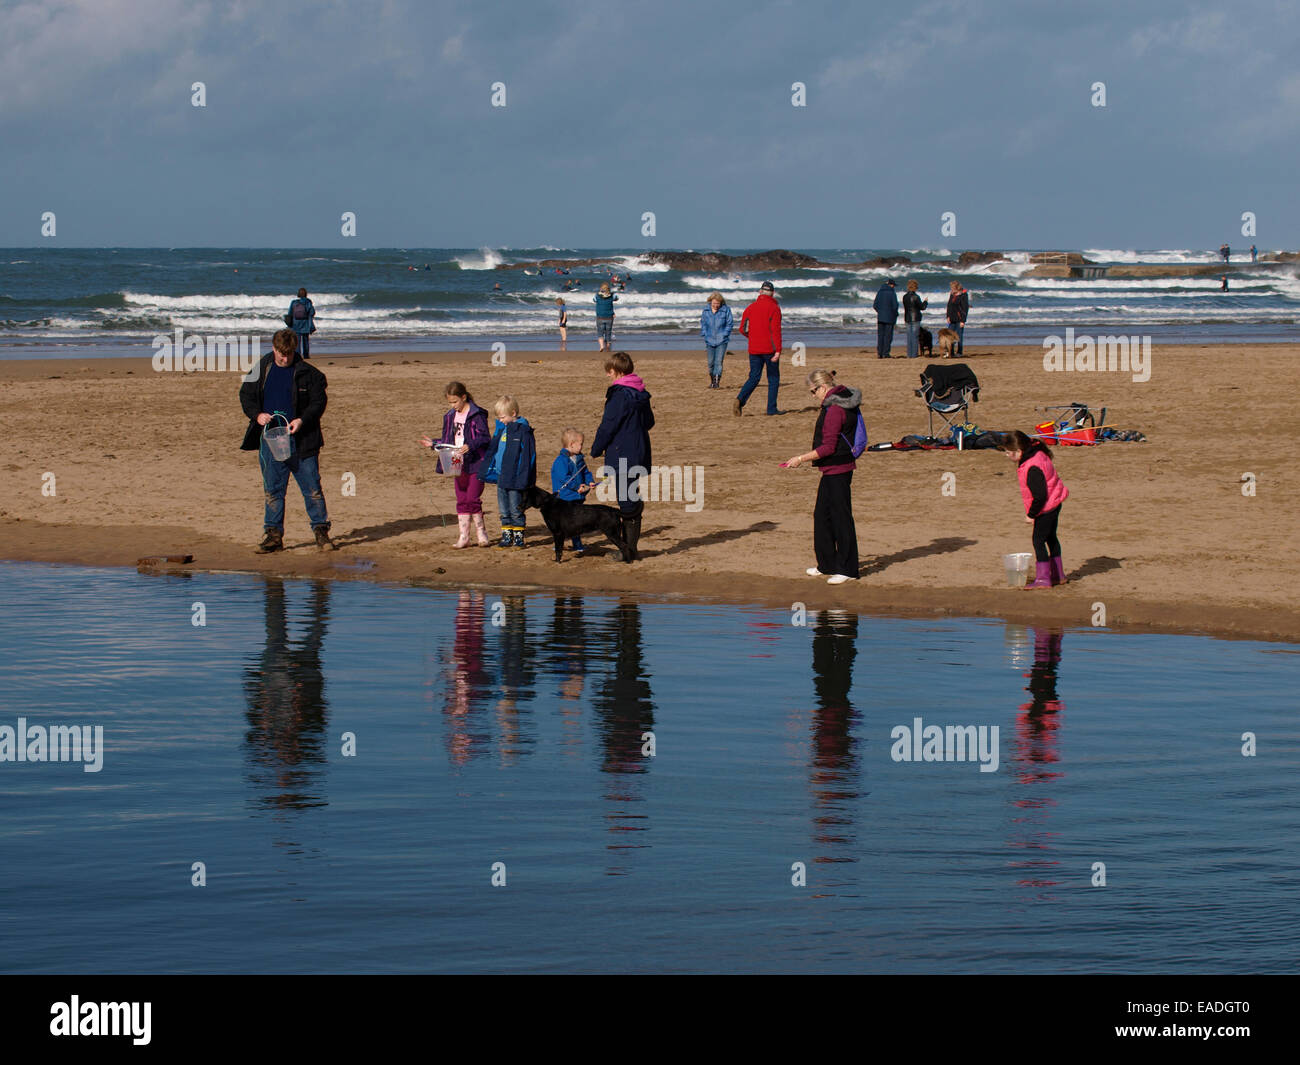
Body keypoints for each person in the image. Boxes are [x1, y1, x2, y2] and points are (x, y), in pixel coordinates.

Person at [240, 328, 334, 553]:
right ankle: (273, 536)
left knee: (312, 489)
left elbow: (318, 402)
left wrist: (302, 420)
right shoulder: (262, 367)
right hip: (271, 439)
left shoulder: (311, 374)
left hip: (303, 441)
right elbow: (246, 394)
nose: (285, 358)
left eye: (289, 354)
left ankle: (321, 533)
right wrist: (257, 415)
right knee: (273, 490)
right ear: (274, 348)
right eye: (281, 353)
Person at [782, 369, 861, 585]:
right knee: (822, 515)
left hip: (839, 467)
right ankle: (827, 564)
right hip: (832, 469)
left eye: (813, 391)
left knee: (841, 518)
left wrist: (800, 458)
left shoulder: (835, 409)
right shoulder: (842, 399)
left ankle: (848, 569)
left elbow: (827, 447)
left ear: (823, 387)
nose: (812, 396)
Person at [591, 351, 654, 561]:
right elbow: (649, 422)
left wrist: (596, 448)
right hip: (638, 449)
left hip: (624, 453)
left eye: (609, 371)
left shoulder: (619, 394)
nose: (608, 375)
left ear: (617, 371)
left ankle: (629, 551)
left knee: (626, 501)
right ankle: (630, 549)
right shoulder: (640, 391)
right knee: (629, 497)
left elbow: (608, 426)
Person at [419, 381, 492, 548]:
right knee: (461, 499)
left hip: (475, 461)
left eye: (455, 402)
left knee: (473, 498)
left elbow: (485, 437)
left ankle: (482, 534)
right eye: (450, 402)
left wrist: (470, 446)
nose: (453, 406)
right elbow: (448, 441)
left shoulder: (477, 414)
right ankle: (464, 537)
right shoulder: (449, 416)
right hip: (455, 462)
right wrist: (434, 443)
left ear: (464, 397)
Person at [998, 429, 1069, 589]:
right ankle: (1058, 575)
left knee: (1038, 541)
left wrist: (1031, 515)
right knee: (1051, 538)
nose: (1007, 455)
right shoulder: (1037, 452)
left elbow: (1040, 496)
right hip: (1055, 501)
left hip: (1047, 506)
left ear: (1019, 451)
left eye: (1009, 452)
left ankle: (1043, 579)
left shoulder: (1032, 467)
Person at [481, 395, 537, 548]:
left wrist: (525, 478)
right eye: (498, 417)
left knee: (515, 509)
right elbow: (495, 450)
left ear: (513, 413)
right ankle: (507, 536)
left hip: (516, 478)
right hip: (502, 476)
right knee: (503, 509)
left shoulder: (523, 431)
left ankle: (518, 537)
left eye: (502, 417)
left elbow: (528, 457)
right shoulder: (502, 429)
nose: (500, 420)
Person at [734, 281, 783, 416]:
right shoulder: (774, 308)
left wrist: (753, 337)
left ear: (760, 292)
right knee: (773, 378)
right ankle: (771, 409)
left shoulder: (750, 308)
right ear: (772, 293)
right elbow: (776, 331)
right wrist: (778, 350)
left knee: (754, 377)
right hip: (769, 349)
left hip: (754, 348)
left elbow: (742, 329)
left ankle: (740, 399)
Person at [550, 427, 597, 555]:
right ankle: (558, 545)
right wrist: (577, 487)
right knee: (562, 524)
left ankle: (577, 544)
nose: (582, 446)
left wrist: (590, 481)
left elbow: (585, 472)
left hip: (577, 497)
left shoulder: (579, 459)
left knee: (576, 523)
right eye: (580, 444)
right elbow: (565, 479)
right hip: (564, 498)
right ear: (571, 444)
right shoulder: (560, 461)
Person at [699, 291, 733, 389]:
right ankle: (712, 381)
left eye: (718, 303)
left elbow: (729, 323)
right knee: (710, 363)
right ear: (710, 302)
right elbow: (703, 323)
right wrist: (705, 334)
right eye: (714, 303)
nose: (716, 305)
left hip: (722, 340)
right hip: (709, 339)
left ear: (721, 303)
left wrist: (724, 334)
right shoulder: (706, 311)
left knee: (718, 362)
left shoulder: (726, 310)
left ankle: (716, 382)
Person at [284, 287, 316, 359]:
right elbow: (312, 312)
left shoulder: (294, 302)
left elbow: (290, 313)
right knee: (305, 341)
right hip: (305, 324)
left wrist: (290, 323)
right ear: (306, 294)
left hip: (296, 324)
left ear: (298, 294)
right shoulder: (308, 302)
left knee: (297, 341)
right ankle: (306, 355)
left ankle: (298, 355)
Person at [872, 278, 899, 358]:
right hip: (889, 318)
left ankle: (879, 353)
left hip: (880, 317)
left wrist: (880, 312)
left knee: (880, 336)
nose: (894, 287)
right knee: (888, 336)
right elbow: (895, 306)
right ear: (891, 285)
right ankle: (885, 353)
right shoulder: (892, 293)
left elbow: (875, 305)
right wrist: (894, 314)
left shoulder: (880, 292)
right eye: (893, 285)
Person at [902, 279, 928, 359]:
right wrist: (925, 302)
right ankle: (914, 354)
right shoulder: (916, 297)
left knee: (909, 336)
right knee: (915, 337)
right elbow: (922, 307)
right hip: (915, 318)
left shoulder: (905, 297)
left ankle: (909, 354)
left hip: (907, 317)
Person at [946, 280, 969, 357]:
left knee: (959, 336)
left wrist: (963, 321)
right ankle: (950, 352)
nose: (951, 289)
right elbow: (949, 306)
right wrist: (948, 316)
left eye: (952, 288)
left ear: (957, 288)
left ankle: (959, 352)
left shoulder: (963, 295)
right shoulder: (952, 294)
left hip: (959, 319)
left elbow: (965, 308)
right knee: (949, 336)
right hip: (952, 318)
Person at [594, 282, 618, 352]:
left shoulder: (597, 295)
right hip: (609, 317)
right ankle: (608, 345)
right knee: (608, 332)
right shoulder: (611, 295)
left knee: (600, 332)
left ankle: (601, 346)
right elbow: (617, 298)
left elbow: (594, 300)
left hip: (600, 316)